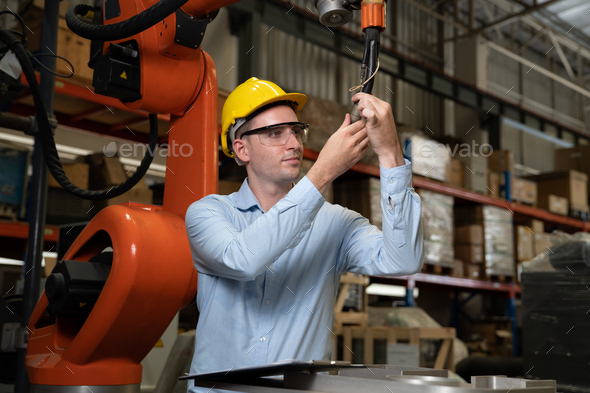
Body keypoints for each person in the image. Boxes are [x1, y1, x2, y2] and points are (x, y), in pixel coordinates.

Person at [184, 77, 423, 391]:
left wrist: (391, 156)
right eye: (275, 133)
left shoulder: (335, 224)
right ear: (241, 149)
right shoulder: (207, 214)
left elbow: (403, 259)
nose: (294, 143)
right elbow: (243, 259)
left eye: (296, 131)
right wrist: (323, 171)